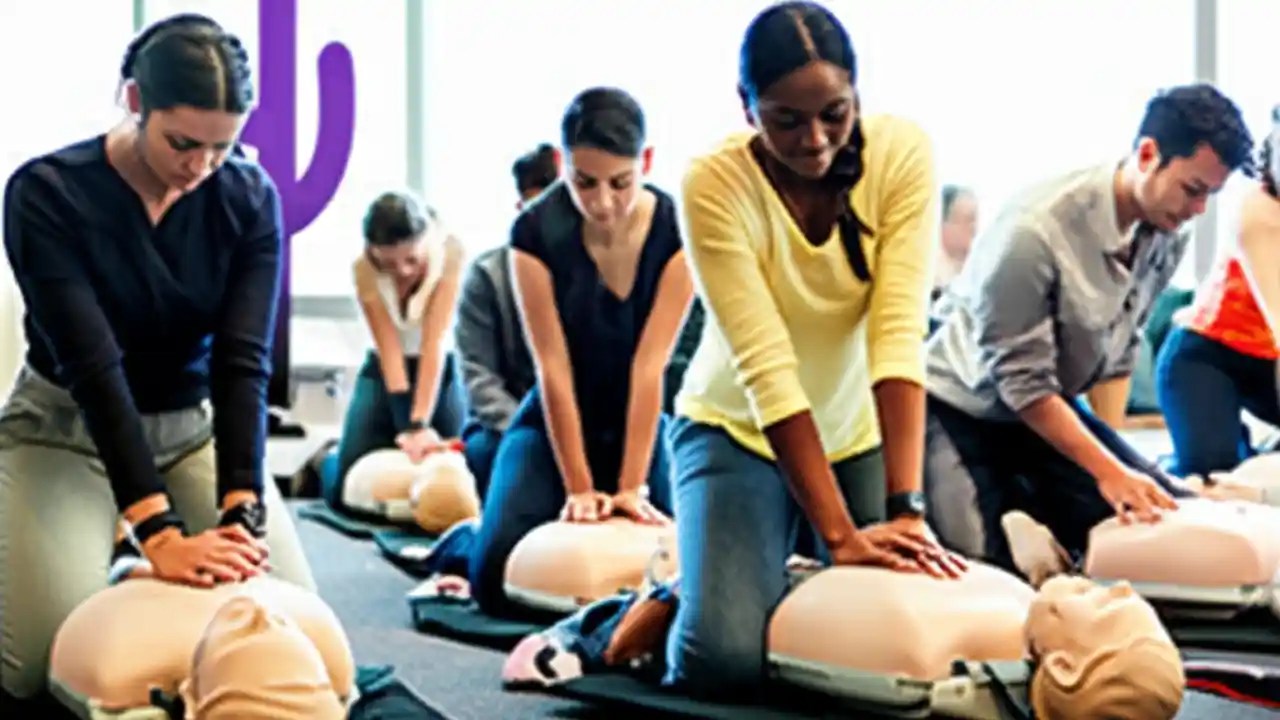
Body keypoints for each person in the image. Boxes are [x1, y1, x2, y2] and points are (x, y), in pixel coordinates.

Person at [0, 13, 315, 698]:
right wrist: (161, 533)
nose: (200, 167)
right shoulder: (45, 194)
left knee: (297, 633)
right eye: (183, 142)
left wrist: (241, 511)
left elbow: (242, 363)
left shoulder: (250, 198)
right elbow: (94, 369)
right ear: (135, 101)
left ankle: (127, 561)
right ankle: (122, 556)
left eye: (223, 148)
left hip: (189, 430)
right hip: (65, 432)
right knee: (28, 669)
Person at [663, 2, 966, 698]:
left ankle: (781, 567)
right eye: (786, 120)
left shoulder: (902, 153)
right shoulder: (713, 183)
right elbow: (765, 368)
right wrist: (840, 536)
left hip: (853, 432)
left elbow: (897, 334)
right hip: (734, 430)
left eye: (835, 112)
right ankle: (656, 600)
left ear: (858, 95)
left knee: (900, 629)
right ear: (747, 108)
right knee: (724, 662)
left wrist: (906, 506)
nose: (817, 140)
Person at [923, 83, 1255, 571]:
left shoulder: (1164, 231)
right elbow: (1023, 384)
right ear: (1147, 154)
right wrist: (1107, 472)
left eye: (1211, 196)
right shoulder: (1033, 232)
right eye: (1193, 190)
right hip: (958, 408)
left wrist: (1117, 469)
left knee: (1167, 521)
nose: (1198, 211)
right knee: (978, 572)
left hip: (1050, 410)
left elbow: (1117, 360)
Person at [466, 87, 692, 619]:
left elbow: (650, 365)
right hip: (551, 420)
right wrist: (580, 489)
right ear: (562, 164)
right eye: (584, 183)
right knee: (493, 577)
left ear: (648, 163)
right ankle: (462, 540)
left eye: (621, 183)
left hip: (643, 419)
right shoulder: (532, 232)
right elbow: (552, 367)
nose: (603, 203)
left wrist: (632, 486)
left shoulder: (678, 231)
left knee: (678, 566)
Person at [1155, 105, 1280, 477]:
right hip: (1208, 356)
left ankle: (1254, 460)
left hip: (1264, 365)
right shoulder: (1258, 211)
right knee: (1211, 482)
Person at [325, 191, 467, 516]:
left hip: (438, 367)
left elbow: (434, 344)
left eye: (411, 261)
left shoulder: (451, 253)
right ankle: (329, 458)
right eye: (388, 263)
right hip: (385, 368)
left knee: (463, 472)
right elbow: (389, 347)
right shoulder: (363, 269)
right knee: (341, 490)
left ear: (425, 242)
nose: (401, 272)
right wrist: (409, 427)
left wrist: (418, 424)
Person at [453, 145, 551, 498]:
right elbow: (479, 376)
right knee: (491, 457)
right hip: (504, 425)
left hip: (586, 431)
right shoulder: (486, 276)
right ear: (520, 209)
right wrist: (524, 433)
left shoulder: (600, 272)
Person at [933, 184, 978, 300]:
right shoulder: (932, 285)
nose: (975, 229)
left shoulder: (974, 275)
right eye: (969, 220)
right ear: (943, 224)